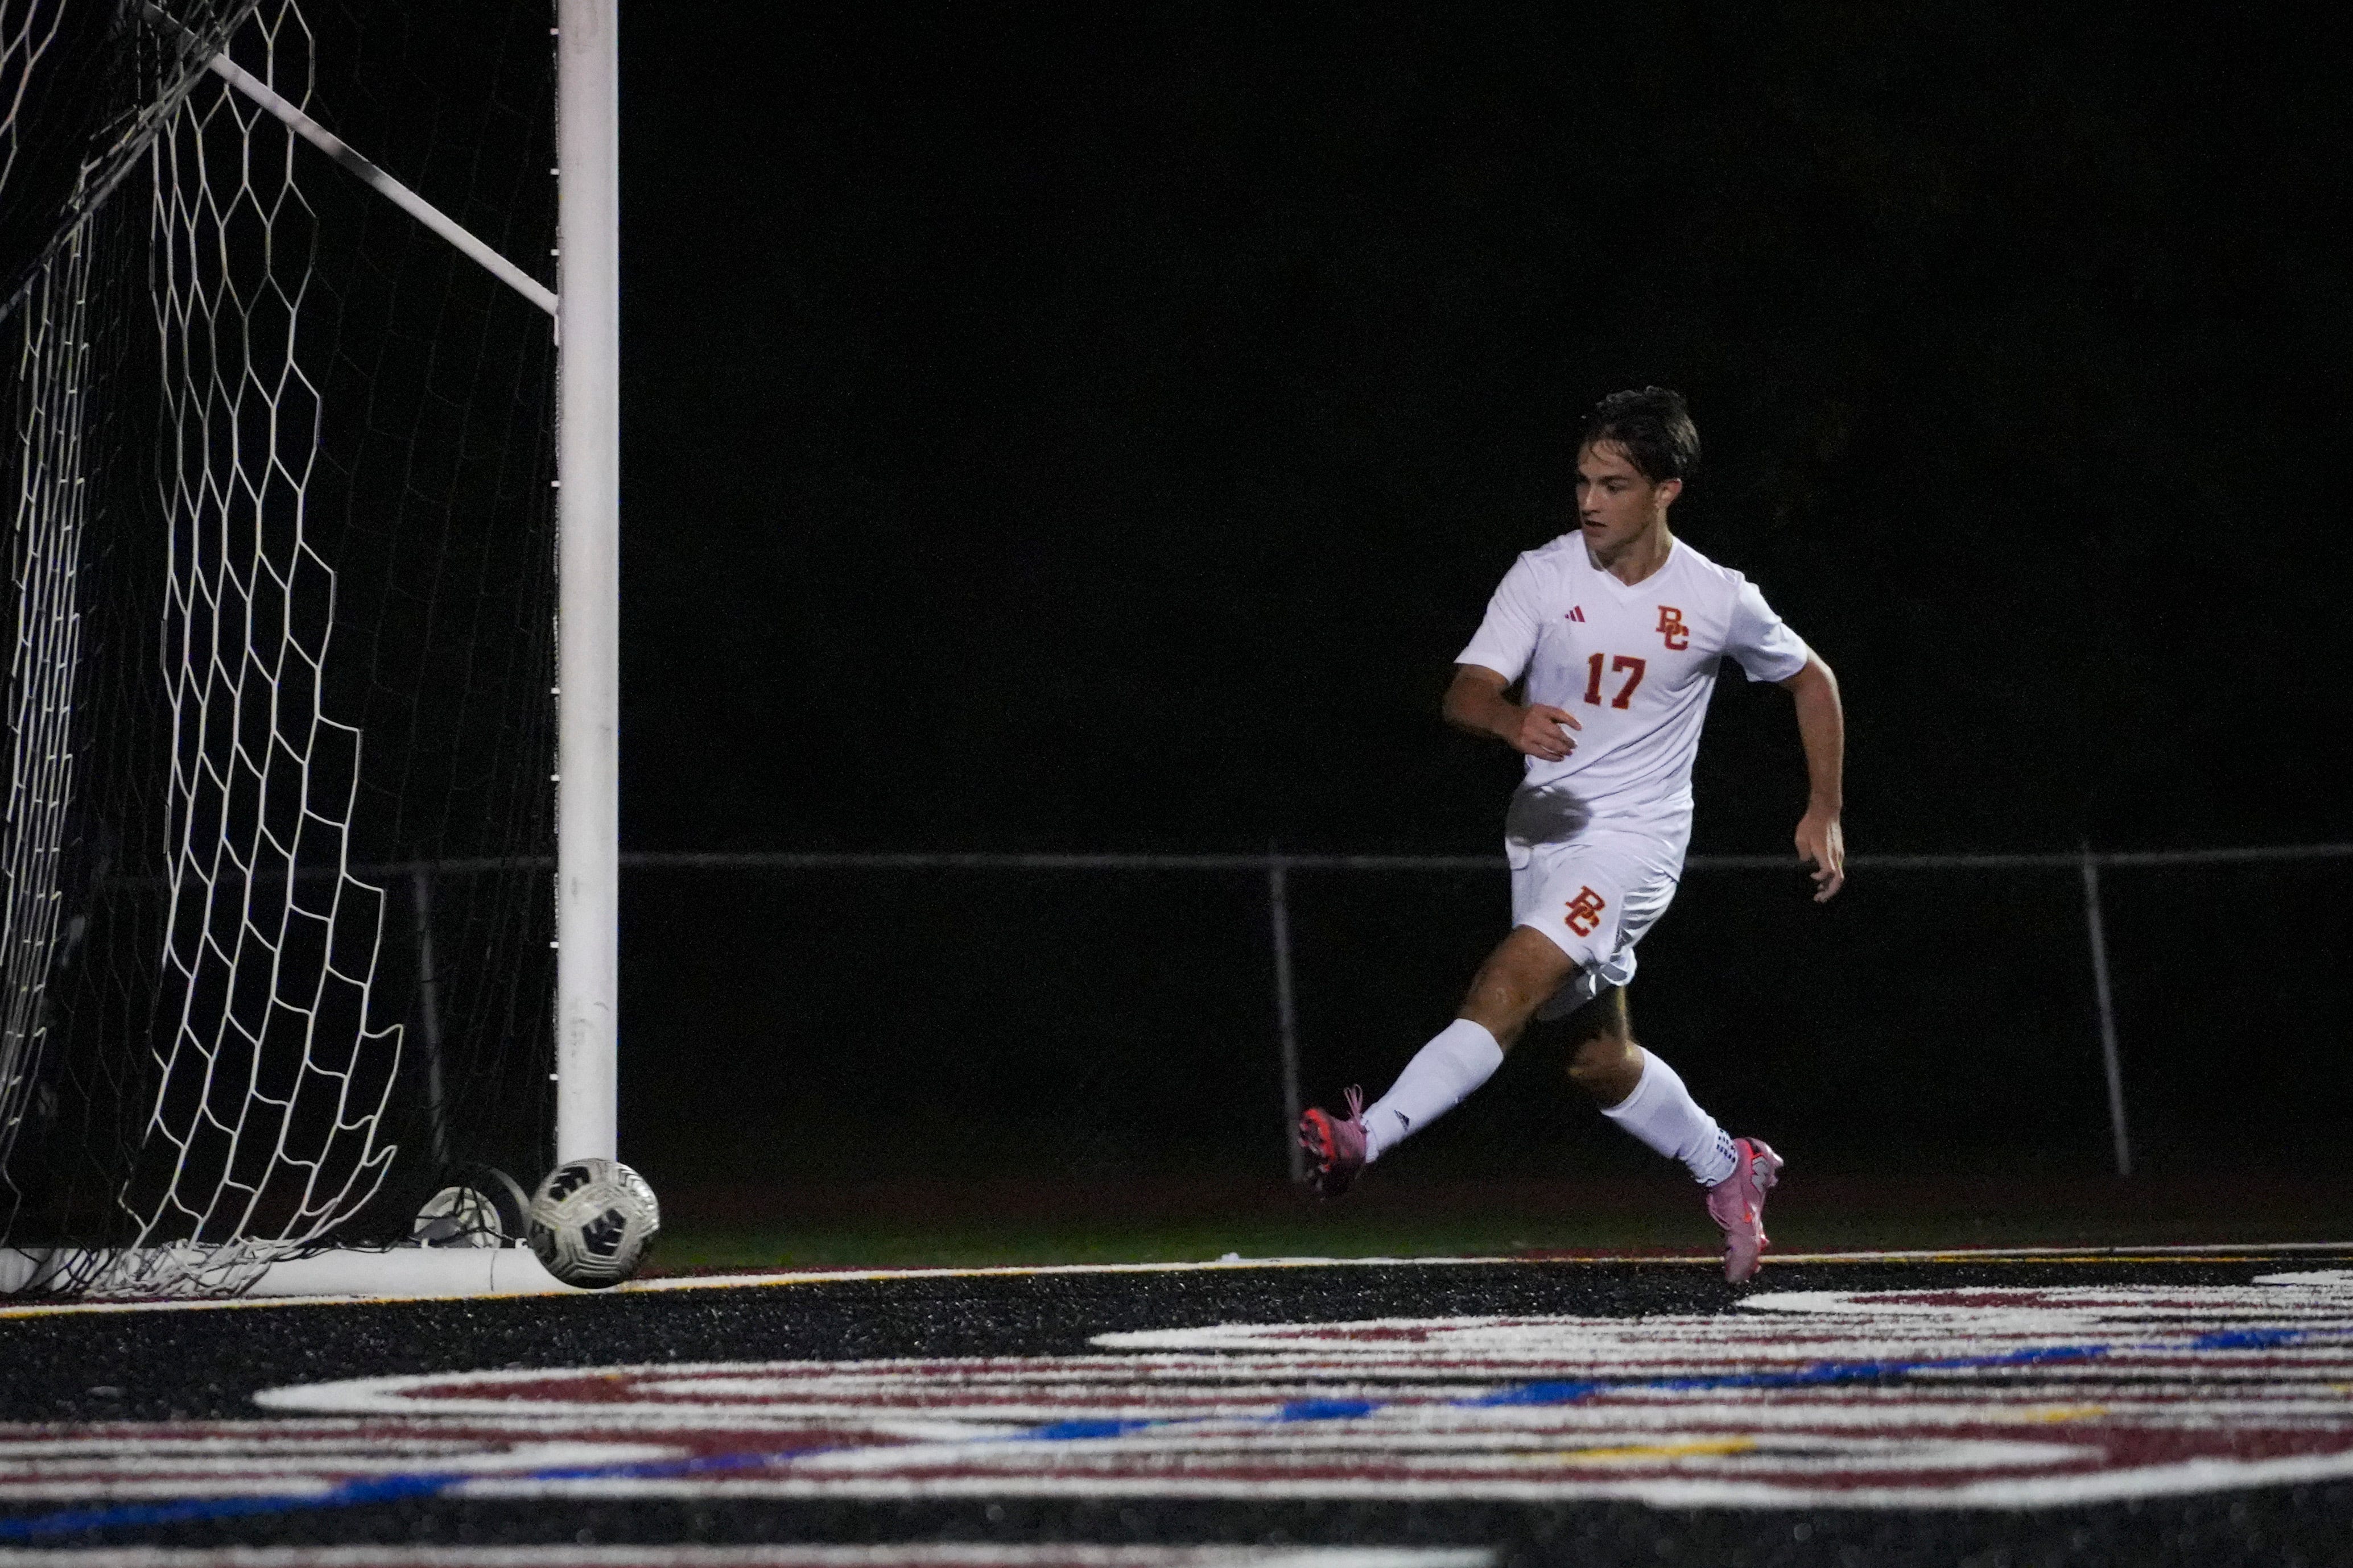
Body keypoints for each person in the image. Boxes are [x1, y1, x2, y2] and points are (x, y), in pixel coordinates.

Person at [1298, 387, 1845, 1282]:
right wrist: (1511, 721)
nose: (1589, 500)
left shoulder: (1717, 597)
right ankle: (1729, 1165)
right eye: (1583, 479)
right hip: (1543, 832)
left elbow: (1812, 680)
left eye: (1614, 483)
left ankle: (1369, 1136)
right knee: (1595, 1060)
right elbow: (1464, 693)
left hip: (1633, 844)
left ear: (1667, 489)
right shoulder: (1543, 574)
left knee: (1507, 975)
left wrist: (1823, 807)